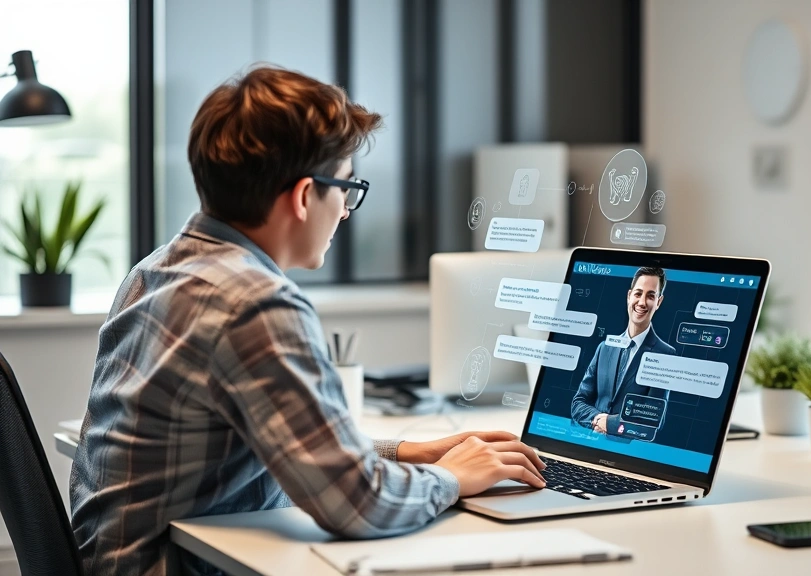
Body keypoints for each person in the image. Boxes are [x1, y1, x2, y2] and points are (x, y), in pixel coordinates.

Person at [69, 66, 545, 576]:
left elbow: (288, 447)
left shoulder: (154, 271)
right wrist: (451, 479)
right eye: (346, 188)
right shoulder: (254, 303)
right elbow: (356, 505)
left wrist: (411, 451)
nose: (345, 212)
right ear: (302, 197)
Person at [570, 267, 676, 435]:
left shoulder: (665, 355)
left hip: (629, 452)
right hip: (590, 444)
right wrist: (598, 419)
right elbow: (578, 402)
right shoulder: (604, 348)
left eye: (650, 296)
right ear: (629, 296)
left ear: (659, 302)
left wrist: (610, 424)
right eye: (638, 293)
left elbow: (653, 420)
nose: (641, 302)